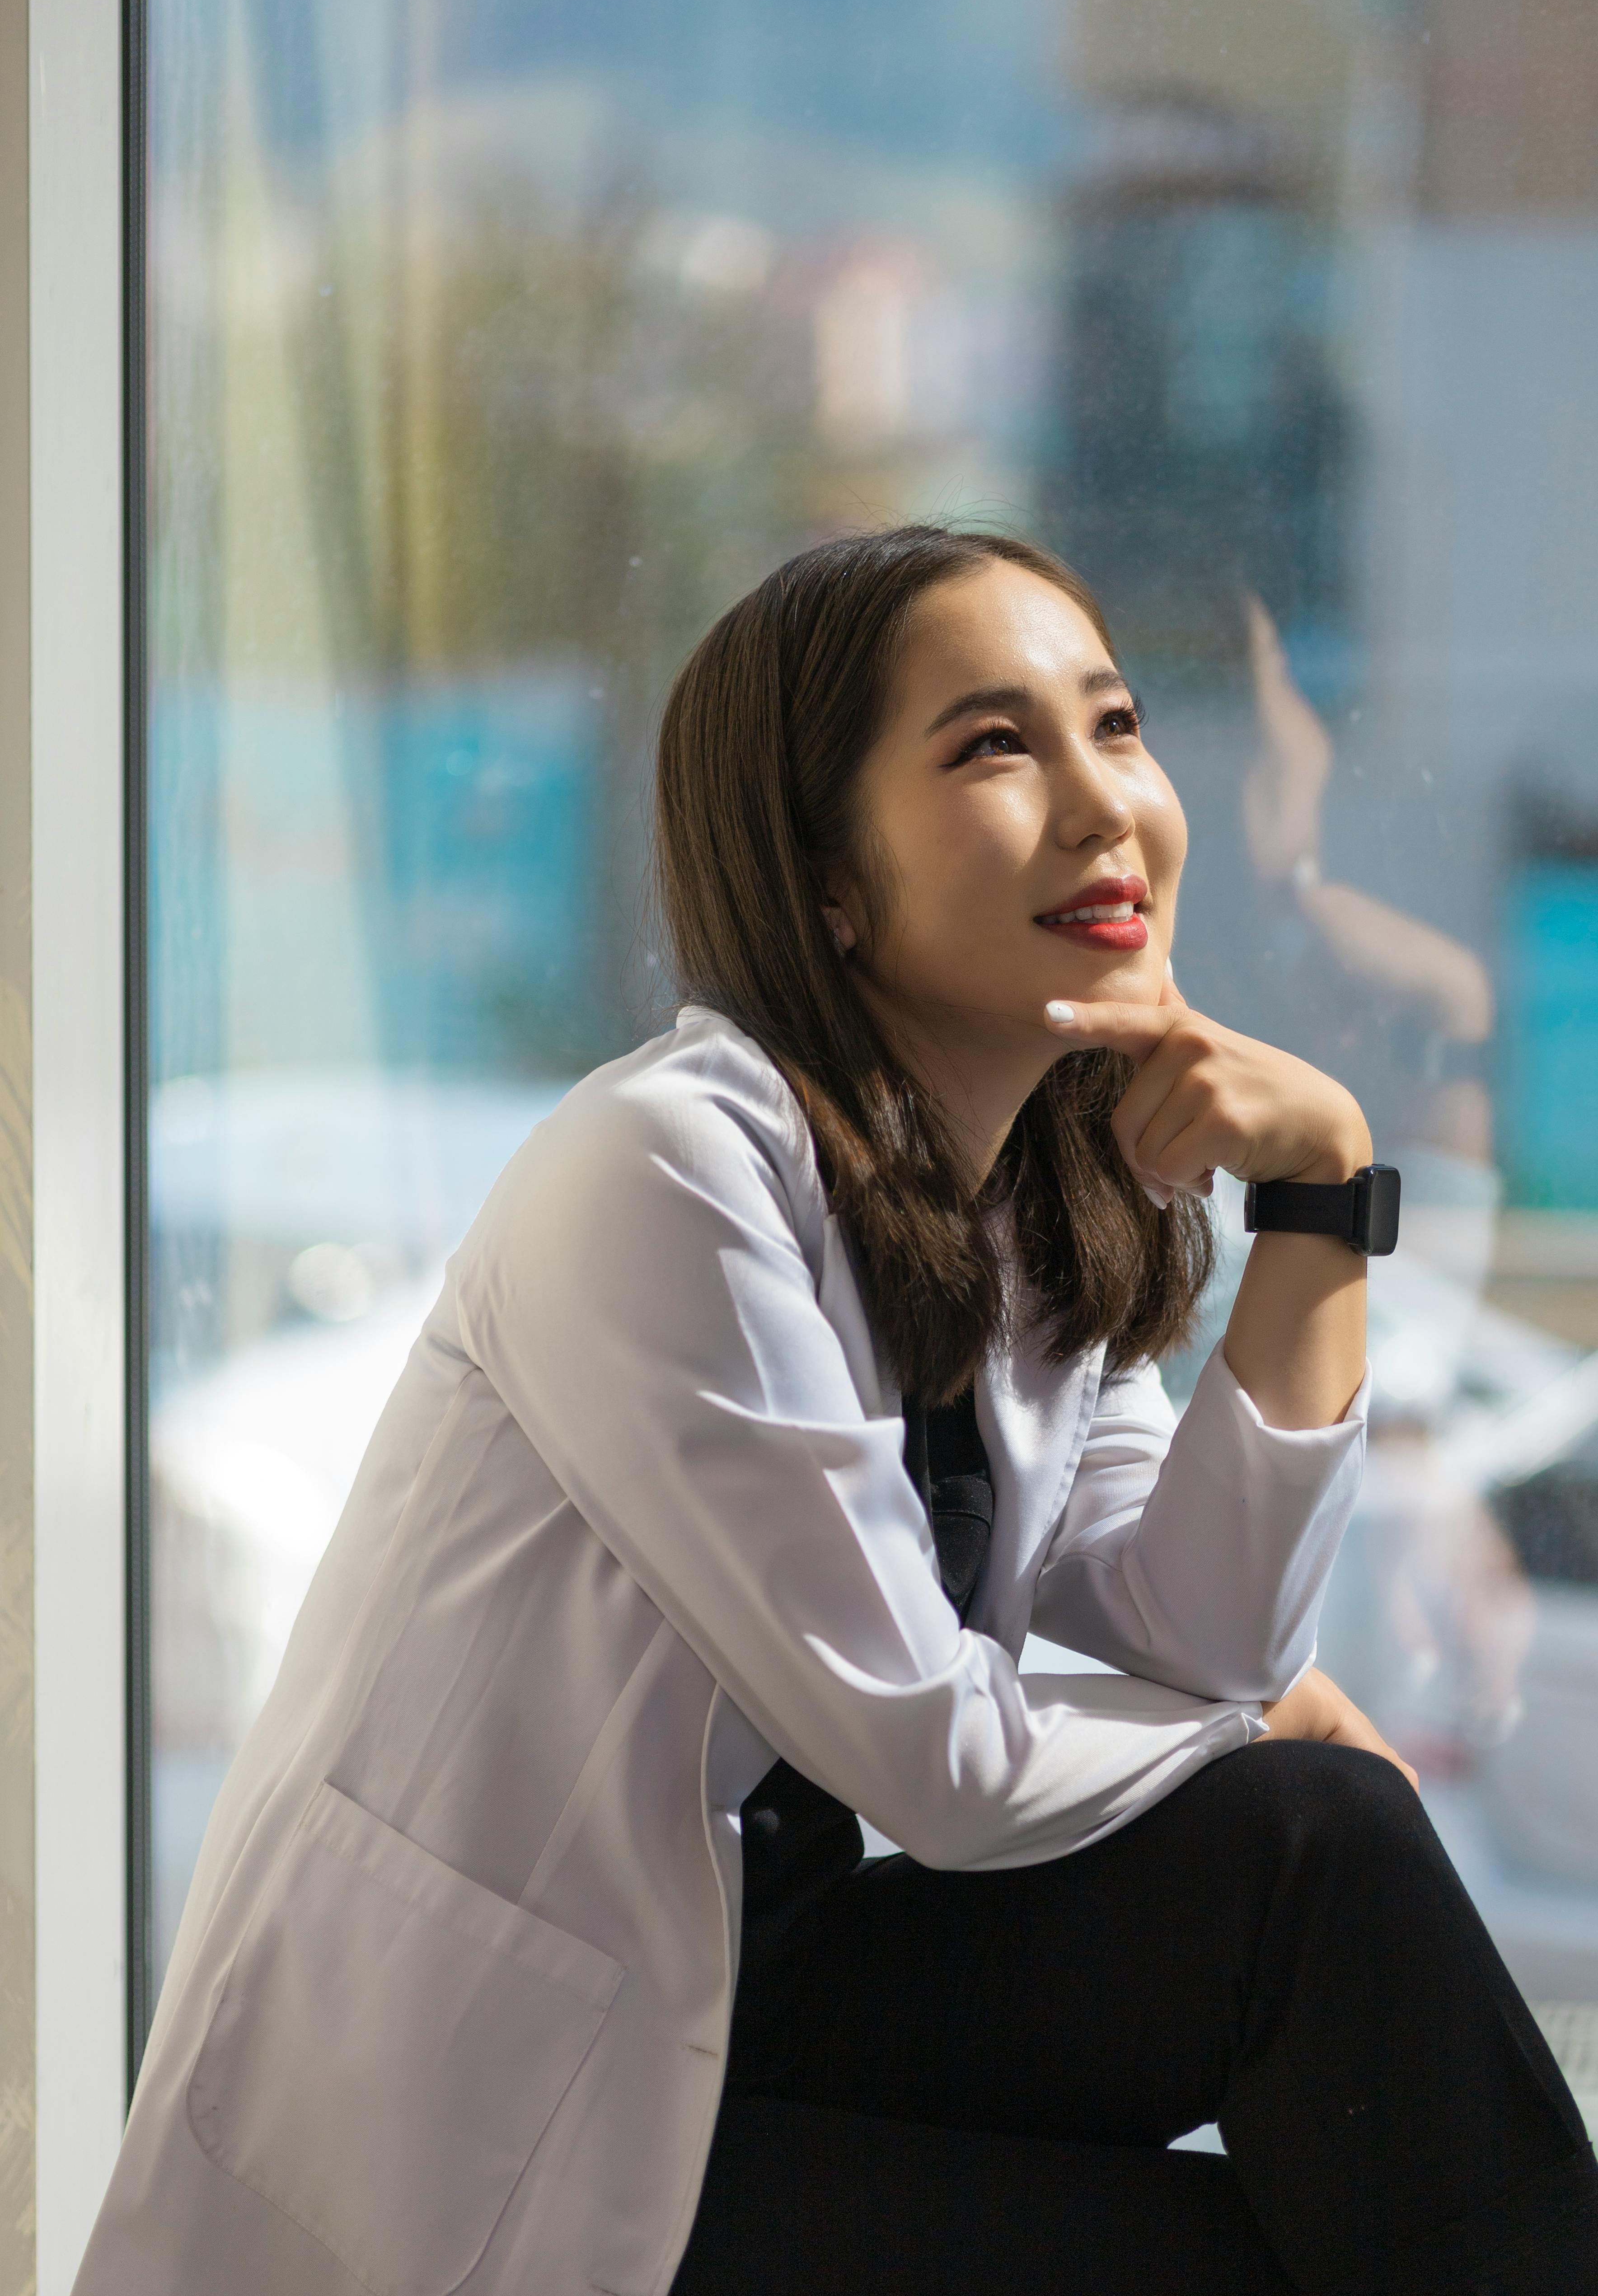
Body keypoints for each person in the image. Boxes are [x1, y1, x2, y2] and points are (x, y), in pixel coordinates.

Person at [75, 527, 1595, 2296]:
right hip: (488, 2105)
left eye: (1114, 724)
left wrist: (1323, 1196)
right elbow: (940, 1763)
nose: (1105, 801)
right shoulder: (663, 1165)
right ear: (825, 886)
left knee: (1318, 1868)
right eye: (994, 745)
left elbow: (1206, 1634)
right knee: (1292, 2067)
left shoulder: (1032, 1207)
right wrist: (1265, 1719)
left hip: (744, 1999)